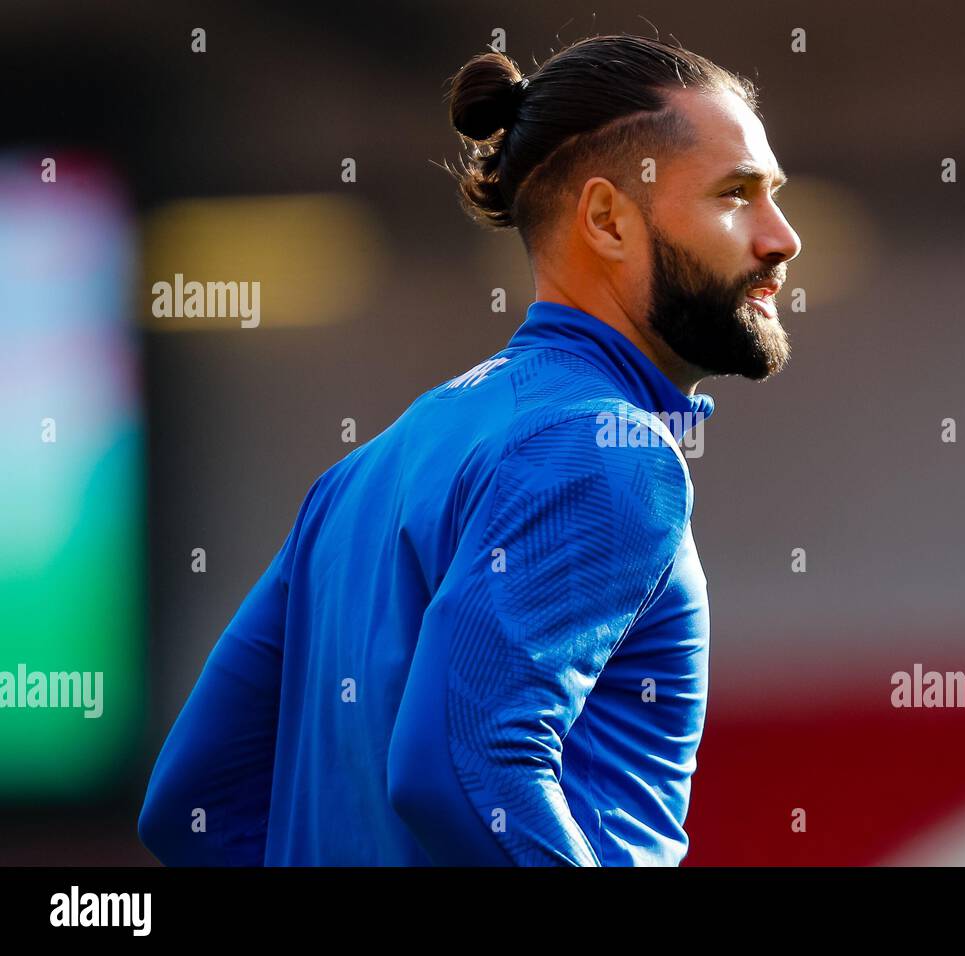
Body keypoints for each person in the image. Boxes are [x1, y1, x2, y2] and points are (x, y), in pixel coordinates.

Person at [138, 32, 801, 866]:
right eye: (737, 194)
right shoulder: (607, 449)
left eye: (774, 194)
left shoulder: (365, 470)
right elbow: (461, 766)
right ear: (607, 220)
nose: (783, 237)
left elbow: (191, 804)